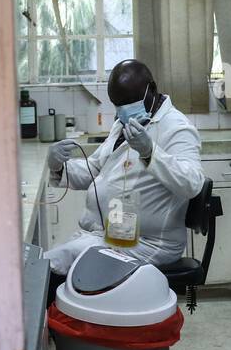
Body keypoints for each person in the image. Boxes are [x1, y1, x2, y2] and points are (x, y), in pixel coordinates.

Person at [43, 59, 205, 275]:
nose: (122, 112)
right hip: (107, 234)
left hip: (147, 243)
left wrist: (150, 153)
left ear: (152, 89)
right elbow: (96, 168)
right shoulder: (124, 123)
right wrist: (59, 166)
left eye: (129, 102)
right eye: (118, 105)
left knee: (50, 265)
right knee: (52, 263)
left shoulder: (177, 128)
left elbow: (192, 183)